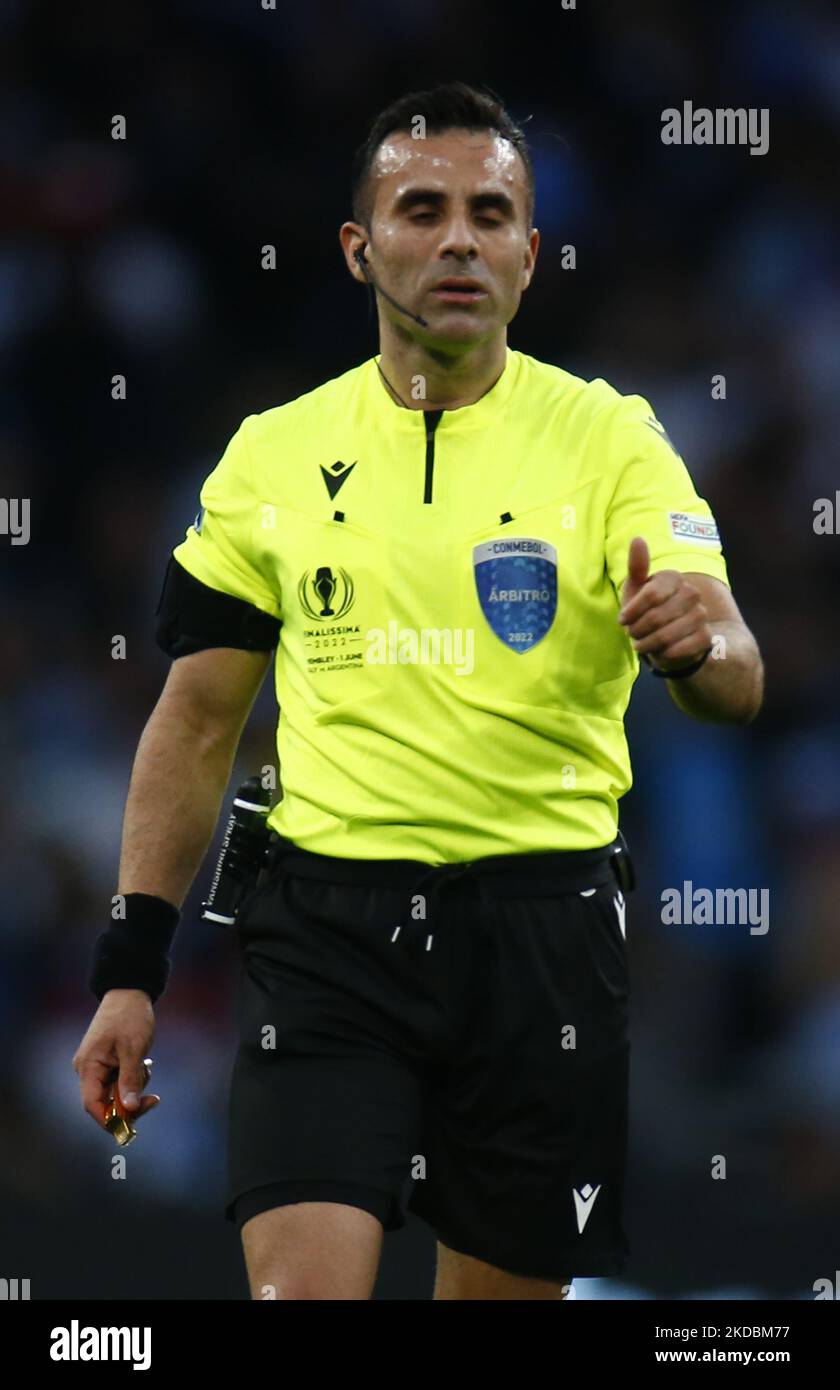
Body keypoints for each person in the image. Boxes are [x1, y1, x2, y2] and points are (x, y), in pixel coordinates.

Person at [73, 81, 764, 1301]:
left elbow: (737, 674)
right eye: (422, 208)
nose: (459, 239)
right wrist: (132, 964)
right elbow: (195, 723)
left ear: (530, 255)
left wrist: (696, 655)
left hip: (544, 946)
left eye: (491, 214)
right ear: (359, 246)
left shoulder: (614, 442)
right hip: (327, 940)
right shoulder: (273, 456)